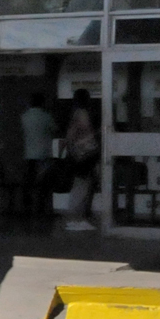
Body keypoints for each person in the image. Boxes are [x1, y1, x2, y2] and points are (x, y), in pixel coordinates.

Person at [62, 88, 101, 231]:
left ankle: (75, 219)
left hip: (77, 155)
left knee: (79, 186)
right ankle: (77, 219)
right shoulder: (82, 113)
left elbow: (70, 136)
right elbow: (85, 132)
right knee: (82, 187)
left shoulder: (74, 113)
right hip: (84, 155)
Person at [19, 91, 57, 218]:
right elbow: (55, 130)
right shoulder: (47, 116)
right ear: (42, 102)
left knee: (29, 183)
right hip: (44, 155)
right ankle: (41, 208)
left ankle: (27, 208)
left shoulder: (24, 116)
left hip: (29, 154)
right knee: (44, 184)